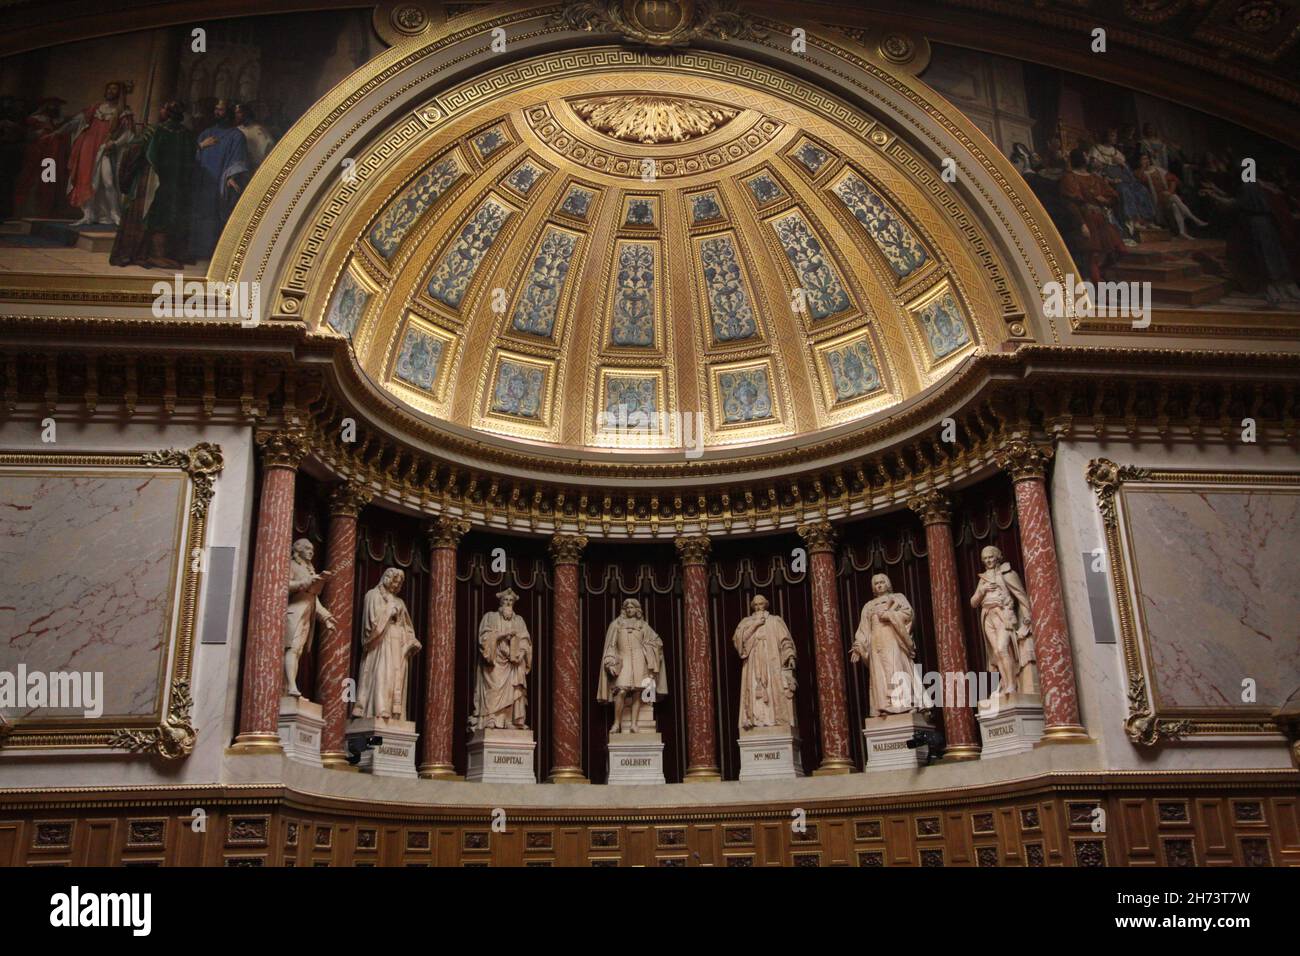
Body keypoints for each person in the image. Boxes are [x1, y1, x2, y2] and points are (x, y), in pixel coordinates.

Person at [970, 546, 1038, 697]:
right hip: (987, 616)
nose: (988, 560)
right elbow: (973, 602)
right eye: (985, 558)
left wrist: (1027, 618)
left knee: (1002, 649)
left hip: (1003, 615)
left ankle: (1012, 684)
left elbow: (1020, 596)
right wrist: (983, 590)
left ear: (997, 557)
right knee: (996, 653)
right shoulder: (983, 579)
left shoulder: (1007, 573)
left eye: (991, 557)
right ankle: (1006, 683)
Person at [354, 568, 421, 720]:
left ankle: (392, 711)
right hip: (380, 643)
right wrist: (389, 612)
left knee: (393, 678)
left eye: (399, 582)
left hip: (398, 646)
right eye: (394, 580)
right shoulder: (372, 595)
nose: (396, 584)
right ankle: (379, 708)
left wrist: (412, 640)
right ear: (387, 578)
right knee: (382, 674)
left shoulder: (400, 602)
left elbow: (407, 627)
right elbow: (371, 624)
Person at [65, 81, 135, 225]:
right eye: (109, 89)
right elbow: (77, 122)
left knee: (108, 182)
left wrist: (114, 143)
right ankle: (89, 215)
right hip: (88, 147)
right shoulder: (96, 108)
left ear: (119, 93)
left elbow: (129, 134)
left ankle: (115, 215)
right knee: (88, 182)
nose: (110, 91)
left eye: (114, 89)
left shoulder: (123, 111)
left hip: (104, 149)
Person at [190, 98, 249, 260]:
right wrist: (201, 146)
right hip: (202, 181)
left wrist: (232, 177)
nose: (218, 112)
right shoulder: (206, 133)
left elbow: (238, 159)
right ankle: (197, 250)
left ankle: (213, 254)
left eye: (221, 110)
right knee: (199, 214)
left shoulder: (236, 136)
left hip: (220, 182)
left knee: (216, 216)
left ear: (229, 112)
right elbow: (193, 155)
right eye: (216, 109)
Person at [597, 597, 668, 733]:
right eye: (627, 607)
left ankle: (634, 724)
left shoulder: (643, 626)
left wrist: (649, 650)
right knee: (621, 690)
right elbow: (611, 646)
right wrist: (610, 660)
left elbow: (657, 642)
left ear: (637, 610)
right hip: (623, 660)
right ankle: (617, 723)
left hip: (640, 660)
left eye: (632, 607)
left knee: (637, 691)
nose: (630, 610)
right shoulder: (616, 624)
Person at [851, 573, 918, 715]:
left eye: (882, 582)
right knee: (879, 673)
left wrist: (889, 615)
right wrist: (859, 646)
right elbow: (863, 629)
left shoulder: (897, 598)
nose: (879, 585)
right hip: (876, 641)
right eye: (876, 583)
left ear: (887, 583)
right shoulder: (868, 606)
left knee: (895, 667)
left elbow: (908, 614)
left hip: (892, 637)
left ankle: (903, 703)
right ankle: (885, 706)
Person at [470, 588, 532, 730]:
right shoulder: (490, 617)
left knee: (513, 690)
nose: (508, 603)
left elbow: (525, 640)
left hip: (513, 664)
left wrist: (521, 653)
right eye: (506, 600)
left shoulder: (519, 620)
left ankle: (509, 720)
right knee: (493, 687)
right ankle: (491, 717)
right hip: (495, 662)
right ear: (501, 602)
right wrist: (502, 635)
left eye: (511, 601)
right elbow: (484, 638)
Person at [732, 595, 797, 731]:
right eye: (755, 605)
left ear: (765, 605)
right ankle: (756, 720)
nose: (758, 607)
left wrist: (790, 656)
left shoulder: (774, 621)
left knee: (774, 690)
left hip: (771, 661)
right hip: (753, 663)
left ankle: (774, 720)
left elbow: (785, 640)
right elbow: (739, 641)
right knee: (755, 691)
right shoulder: (746, 622)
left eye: (761, 604)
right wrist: (755, 624)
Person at [283, 538, 335, 699]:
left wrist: (326, 617)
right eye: (307, 548)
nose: (311, 552)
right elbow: (284, 585)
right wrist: (305, 582)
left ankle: (288, 687)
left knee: (297, 651)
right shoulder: (292, 565)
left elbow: (313, 598)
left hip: (307, 614)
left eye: (312, 549)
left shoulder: (310, 568)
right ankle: (290, 686)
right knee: (292, 649)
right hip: (294, 612)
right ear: (298, 549)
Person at [235, 102, 276, 169]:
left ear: (247, 113)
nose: (236, 115)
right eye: (236, 113)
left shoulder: (259, 130)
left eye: (239, 112)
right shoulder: (236, 130)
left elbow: (268, 149)